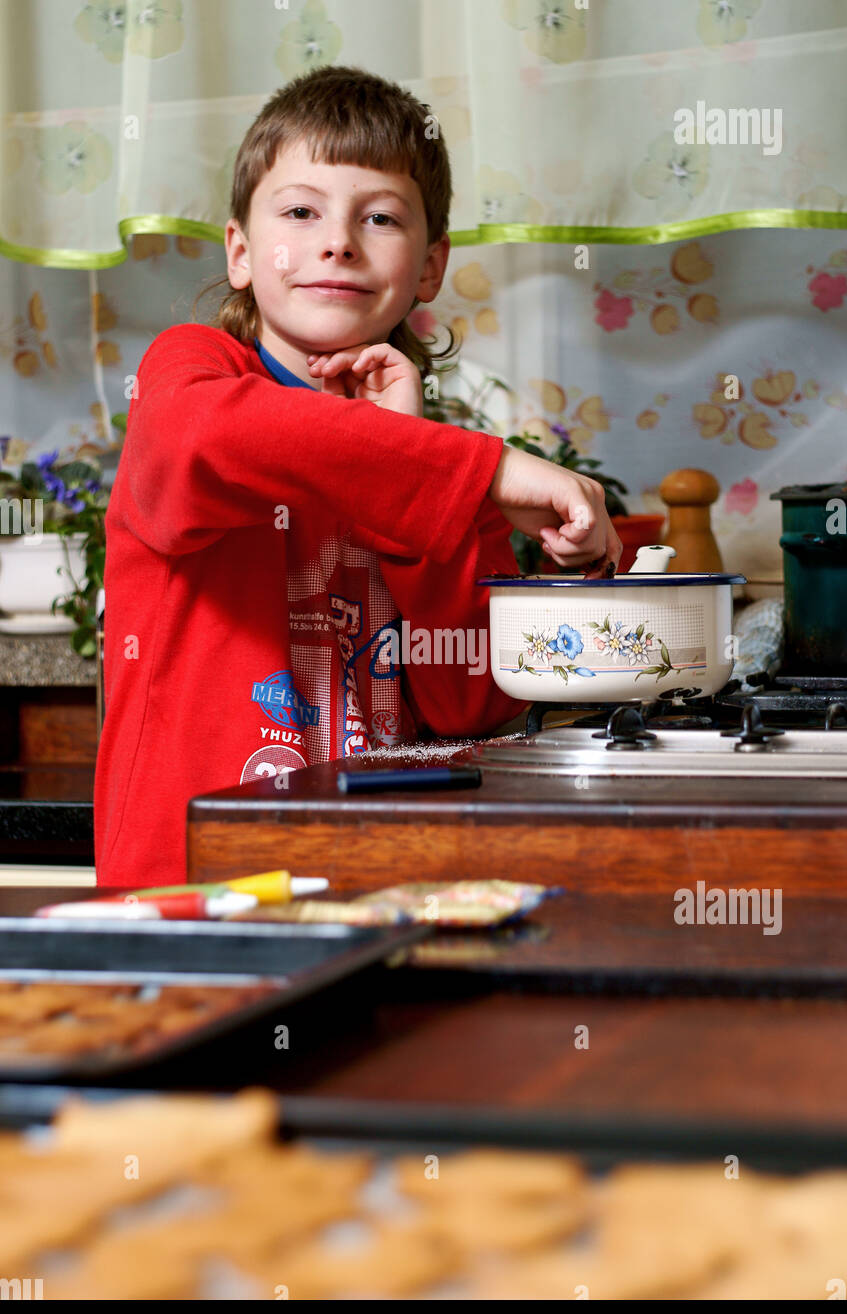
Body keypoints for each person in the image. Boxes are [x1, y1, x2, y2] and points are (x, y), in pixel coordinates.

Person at [94, 64, 620, 888]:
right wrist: (471, 469)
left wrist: (409, 450)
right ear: (239, 251)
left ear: (431, 267)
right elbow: (201, 444)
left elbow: (470, 703)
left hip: (386, 877)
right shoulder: (191, 376)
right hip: (196, 885)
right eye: (300, 212)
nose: (336, 240)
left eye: (378, 217)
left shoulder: (443, 472)